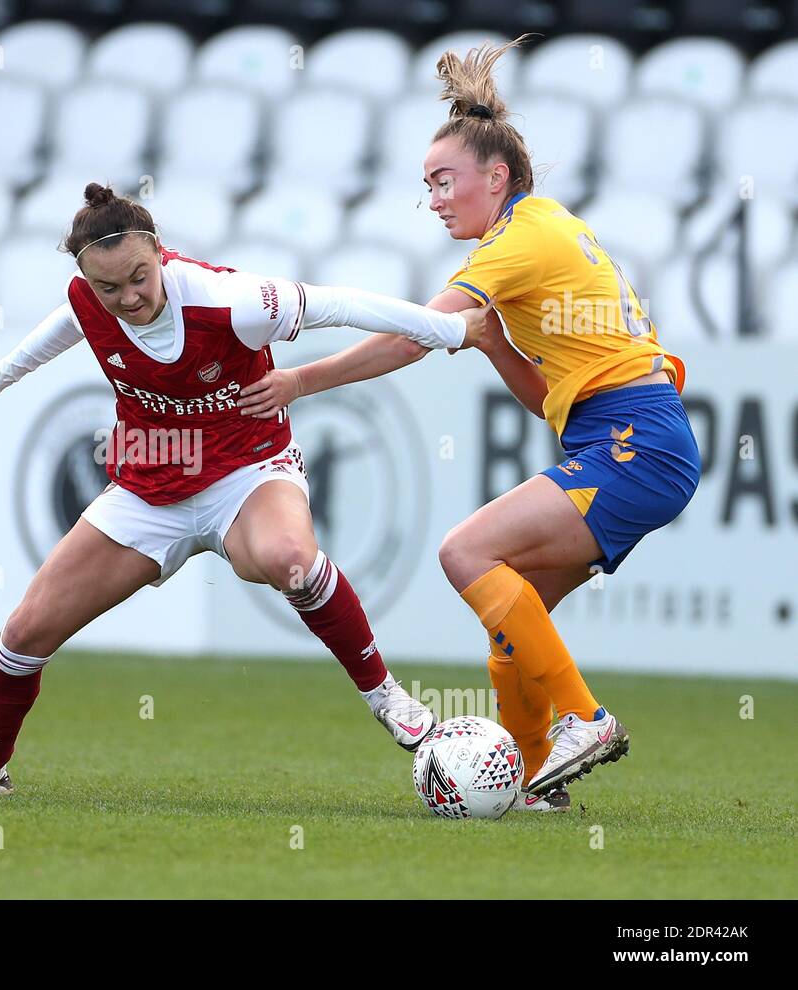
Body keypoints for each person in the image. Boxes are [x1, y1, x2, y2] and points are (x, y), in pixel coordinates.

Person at [0, 182, 489, 795]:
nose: (128, 297)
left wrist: (446, 330)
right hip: (148, 489)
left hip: (248, 470)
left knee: (290, 561)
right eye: (110, 288)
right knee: (24, 633)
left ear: (159, 252)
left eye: (138, 277)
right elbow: (65, 323)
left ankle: (384, 694)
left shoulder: (233, 302)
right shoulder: (88, 299)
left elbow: (341, 304)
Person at [236, 38, 700, 812]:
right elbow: (550, 400)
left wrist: (301, 379)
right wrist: (491, 342)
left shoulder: (517, 240)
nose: (437, 199)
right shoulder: (548, 228)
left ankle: (586, 720)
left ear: (497, 176)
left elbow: (412, 333)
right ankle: (534, 781)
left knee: (465, 551)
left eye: (445, 182)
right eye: (427, 187)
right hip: (633, 437)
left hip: (637, 441)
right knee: (513, 624)